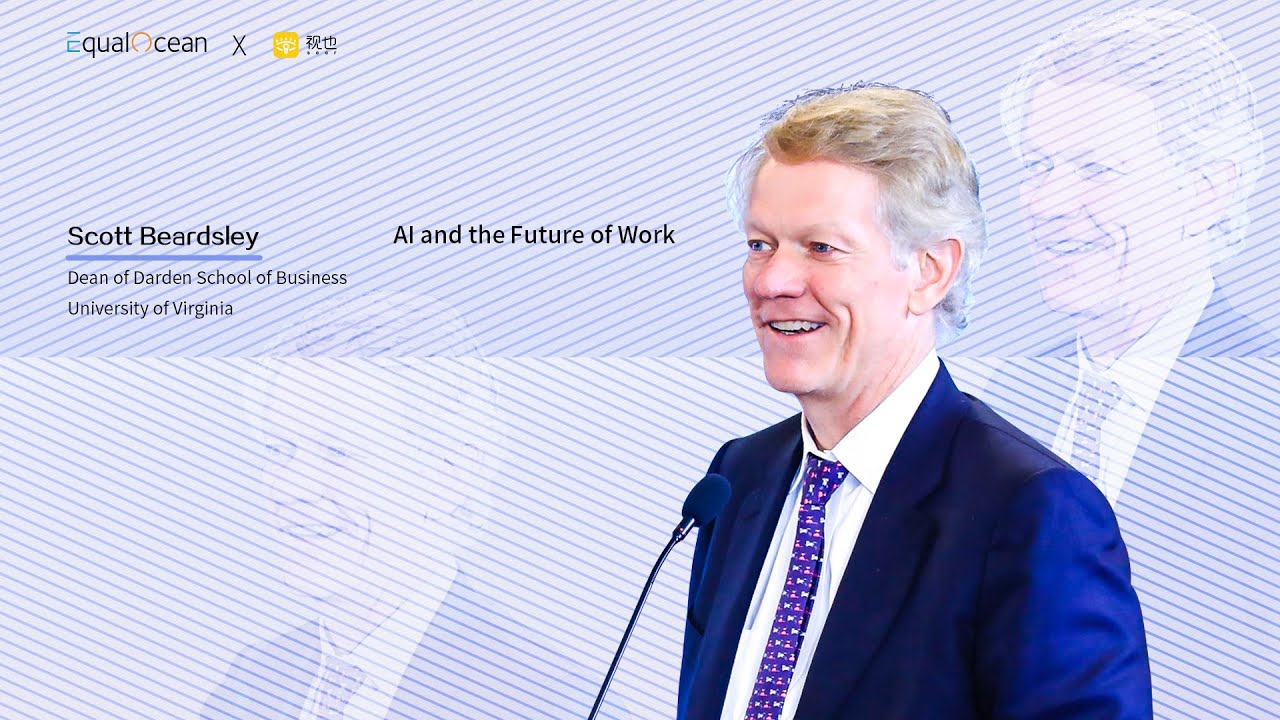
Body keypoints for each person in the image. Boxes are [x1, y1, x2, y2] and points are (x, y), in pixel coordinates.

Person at [677, 85, 1152, 720]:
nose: (773, 281)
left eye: (821, 248)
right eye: (760, 244)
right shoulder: (739, 477)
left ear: (931, 271)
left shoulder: (1031, 510)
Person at [980, 9, 1280, 717]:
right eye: (1038, 166)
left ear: (1205, 191)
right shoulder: (1007, 399)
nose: (1050, 202)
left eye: (1097, 169)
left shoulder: (1263, 409)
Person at [203, 298, 615, 719]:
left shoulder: (554, 703)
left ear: (449, 475)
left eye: (338, 452)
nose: (294, 487)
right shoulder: (252, 683)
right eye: (279, 449)